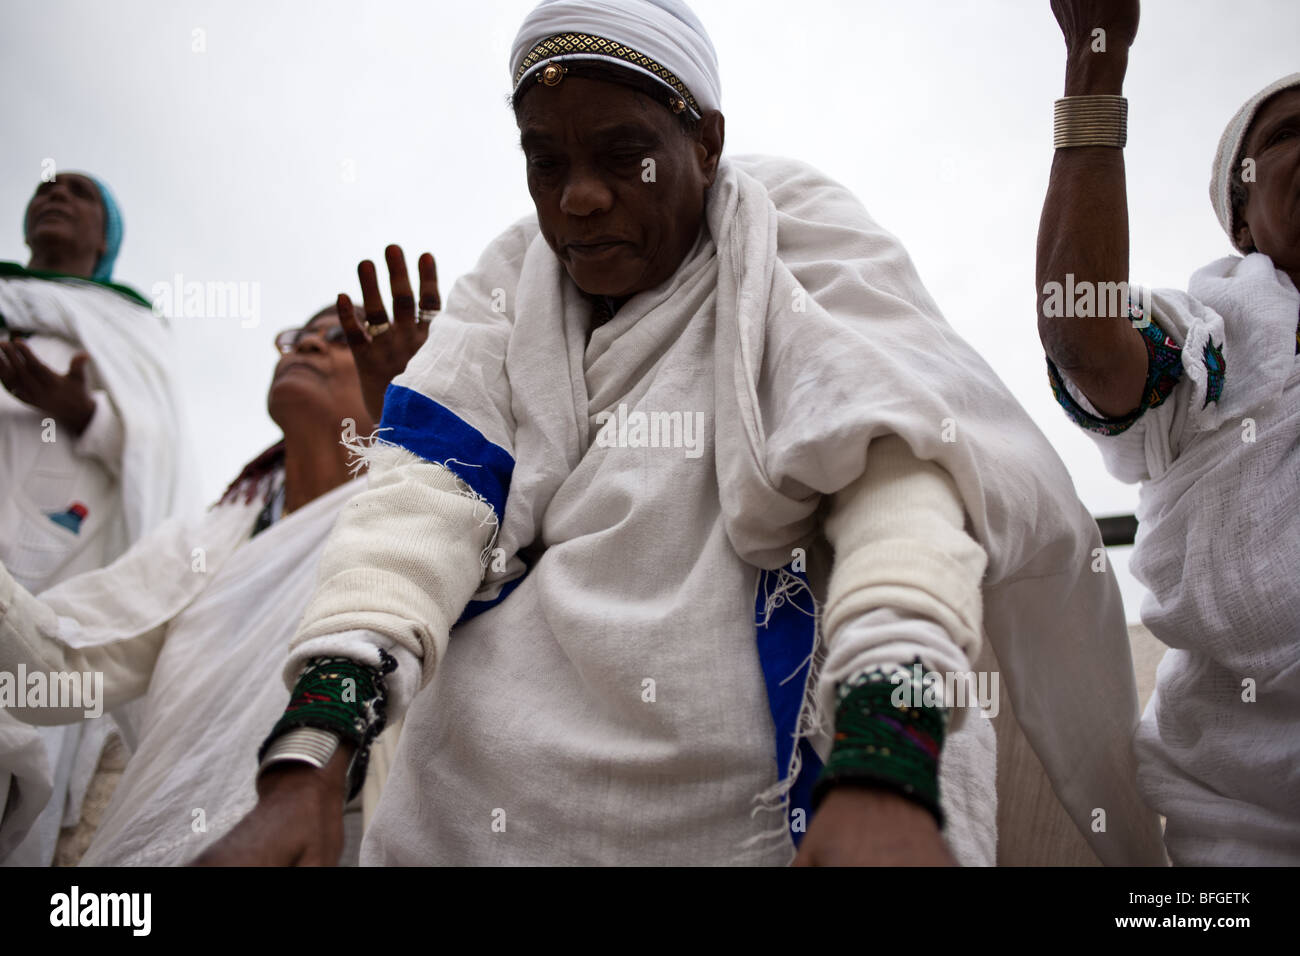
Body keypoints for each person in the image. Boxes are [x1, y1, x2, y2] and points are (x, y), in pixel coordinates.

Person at [204, 0, 1164, 867]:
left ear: (706, 141)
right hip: (475, 811)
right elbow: (417, 502)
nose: (577, 197)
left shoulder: (794, 237)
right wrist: (308, 761)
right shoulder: (505, 288)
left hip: (760, 815)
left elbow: (896, 471)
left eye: (623, 156)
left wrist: (883, 768)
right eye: (546, 162)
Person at [0, 272, 434, 865]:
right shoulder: (207, 540)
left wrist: (425, 429)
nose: (307, 346)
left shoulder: (437, 516)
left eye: (342, 336)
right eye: (299, 335)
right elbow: (61, 669)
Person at [1037, 0, 1299, 866]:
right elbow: (1084, 337)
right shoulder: (1209, 345)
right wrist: (1094, 63)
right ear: (1240, 217)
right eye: (1293, 131)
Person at [0, 172, 195, 864]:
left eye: (79, 193)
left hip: (59, 565)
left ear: (106, 235)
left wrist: (78, 409)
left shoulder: (130, 329)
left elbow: (161, 448)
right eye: (46, 188)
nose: (56, 195)